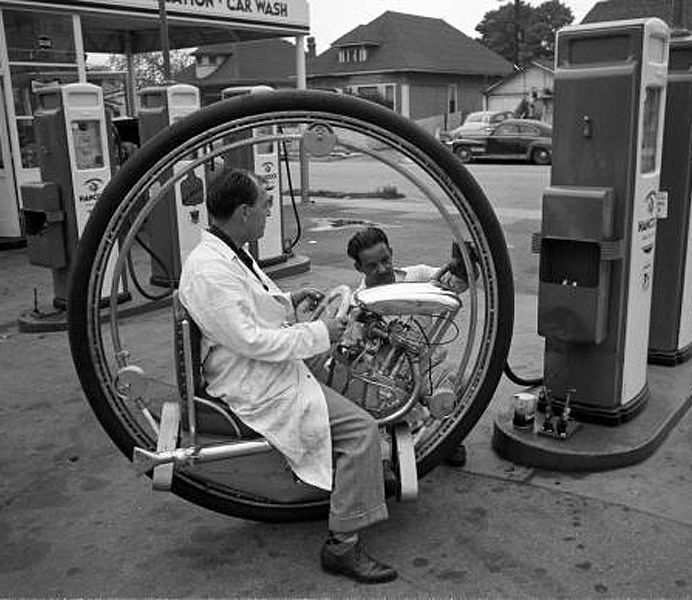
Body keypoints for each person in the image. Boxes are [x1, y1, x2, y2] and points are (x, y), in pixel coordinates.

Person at [178, 168, 397, 584]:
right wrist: (319, 332)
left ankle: (370, 470)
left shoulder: (227, 251)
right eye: (264, 205)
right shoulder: (210, 269)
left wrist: (289, 300)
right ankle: (343, 544)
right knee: (361, 431)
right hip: (254, 379)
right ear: (244, 212)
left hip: (261, 363)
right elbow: (251, 342)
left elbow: (247, 309)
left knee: (346, 363)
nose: (268, 212)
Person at [346, 226, 472, 467]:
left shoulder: (420, 276)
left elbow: (456, 284)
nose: (382, 269)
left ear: (391, 252)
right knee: (386, 434)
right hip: (389, 381)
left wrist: (465, 268)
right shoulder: (358, 303)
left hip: (427, 367)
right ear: (359, 268)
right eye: (373, 266)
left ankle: (448, 438)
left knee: (466, 381)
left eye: (385, 260)